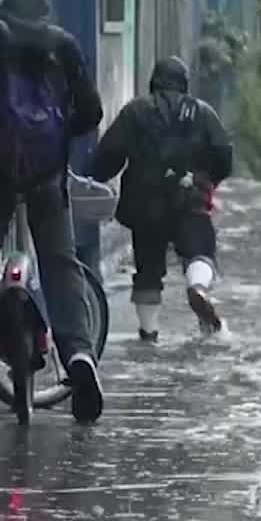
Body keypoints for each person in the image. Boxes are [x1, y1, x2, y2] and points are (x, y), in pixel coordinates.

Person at [0, 0, 105, 422]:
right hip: (47, 178)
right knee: (61, 266)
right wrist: (59, 132)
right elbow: (91, 112)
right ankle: (80, 357)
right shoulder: (63, 45)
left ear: (3, 13)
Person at [91, 56, 234, 339]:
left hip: (146, 205)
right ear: (185, 84)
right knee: (199, 251)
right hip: (189, 196)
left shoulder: (135, 111)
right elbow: (224, 155)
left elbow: (109, 154)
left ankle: (149, 333)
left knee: (148, 270)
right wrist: (206, 178)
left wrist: (97, 178)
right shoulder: (203, 112)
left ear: (153, 83)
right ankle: (197, 288)